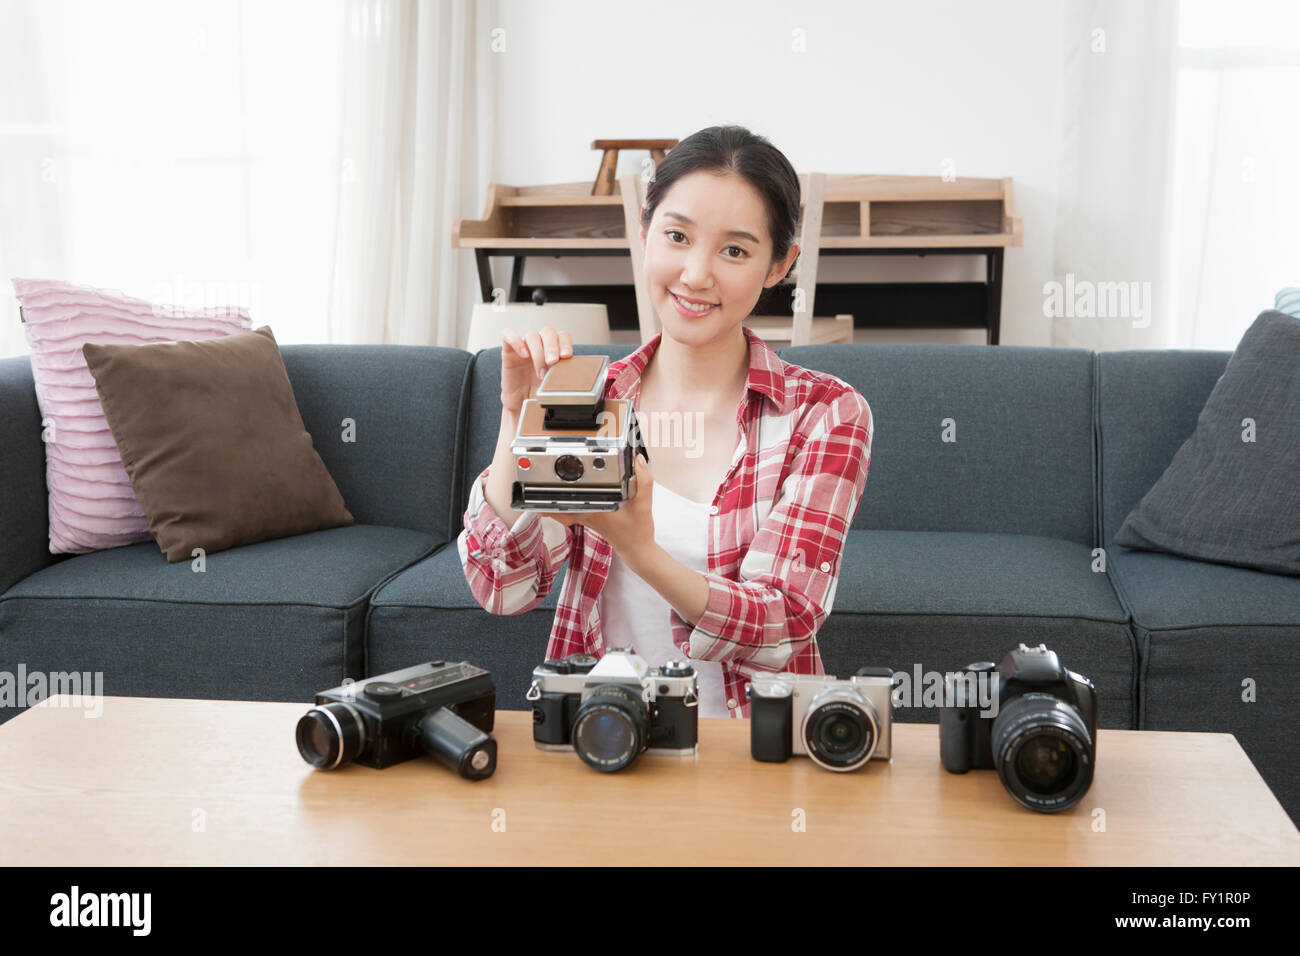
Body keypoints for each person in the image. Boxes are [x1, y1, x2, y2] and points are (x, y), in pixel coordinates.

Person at [457, 125, 873, 718]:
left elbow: (782, 623)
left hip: (754, 749)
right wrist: (514, 421)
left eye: (735, 250)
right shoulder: (589, 400)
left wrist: (642, 551)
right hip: (601, 734)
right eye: (677, 235)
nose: (697, 274)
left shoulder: (823, 413)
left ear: (780, 264)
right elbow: (503, 587)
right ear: (646, 232)